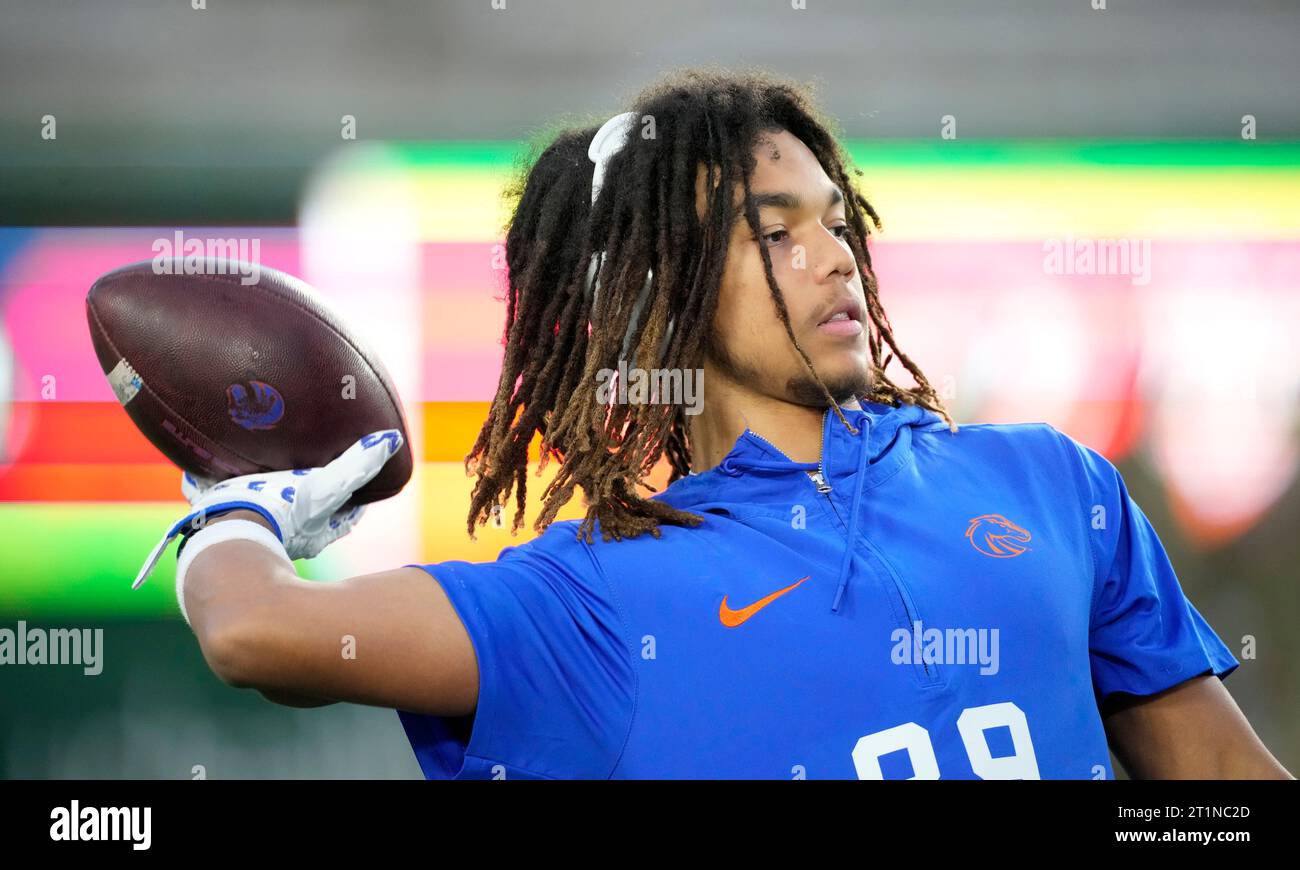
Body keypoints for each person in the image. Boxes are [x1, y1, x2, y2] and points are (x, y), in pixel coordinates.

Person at [137, 68, 1291, 779]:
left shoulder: (1053, 486)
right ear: (658, 286)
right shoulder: (587, 606)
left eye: (836, 221)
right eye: (774, 229)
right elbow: (256, 635)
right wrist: (237, 507)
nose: (833, 251)